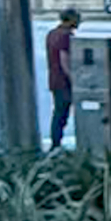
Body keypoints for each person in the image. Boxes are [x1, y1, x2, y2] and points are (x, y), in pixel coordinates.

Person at [44, 8, 80, 149]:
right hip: (63, 80)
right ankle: (56, 144)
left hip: (54, 78)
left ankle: (55, 142)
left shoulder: (51, 34)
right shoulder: (66, 36)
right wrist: (73, 78)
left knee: (58, 112)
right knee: (62, 113)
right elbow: (64, 59)